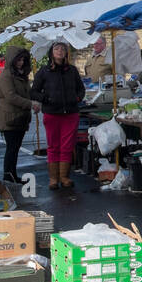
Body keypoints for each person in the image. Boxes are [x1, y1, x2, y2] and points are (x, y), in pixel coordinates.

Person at [31, 41, 85, 190]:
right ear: (51, 52)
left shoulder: (72, 70)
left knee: (67, 146)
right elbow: (34, 91)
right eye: (57, 49)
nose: (60, 51)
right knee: (53, 146)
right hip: (52, 113)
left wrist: (77, 98)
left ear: (66, 53)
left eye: (63, 49)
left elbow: (81, 89)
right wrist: (46, 99)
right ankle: (53, 179)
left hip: (70, 113)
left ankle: (64, 177)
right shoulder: (44, 71)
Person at [0, 47, 33, 186]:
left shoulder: (21, 75)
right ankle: (8, 175)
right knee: (11, 148)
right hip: (9, 117)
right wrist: (30, 104)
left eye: (23, 59)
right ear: (12, 60)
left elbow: (27, 93)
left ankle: (12, 174)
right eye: (18, 59)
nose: (21, 62)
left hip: (20, 117)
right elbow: (11, 97)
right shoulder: (6, 76)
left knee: (15, 148)